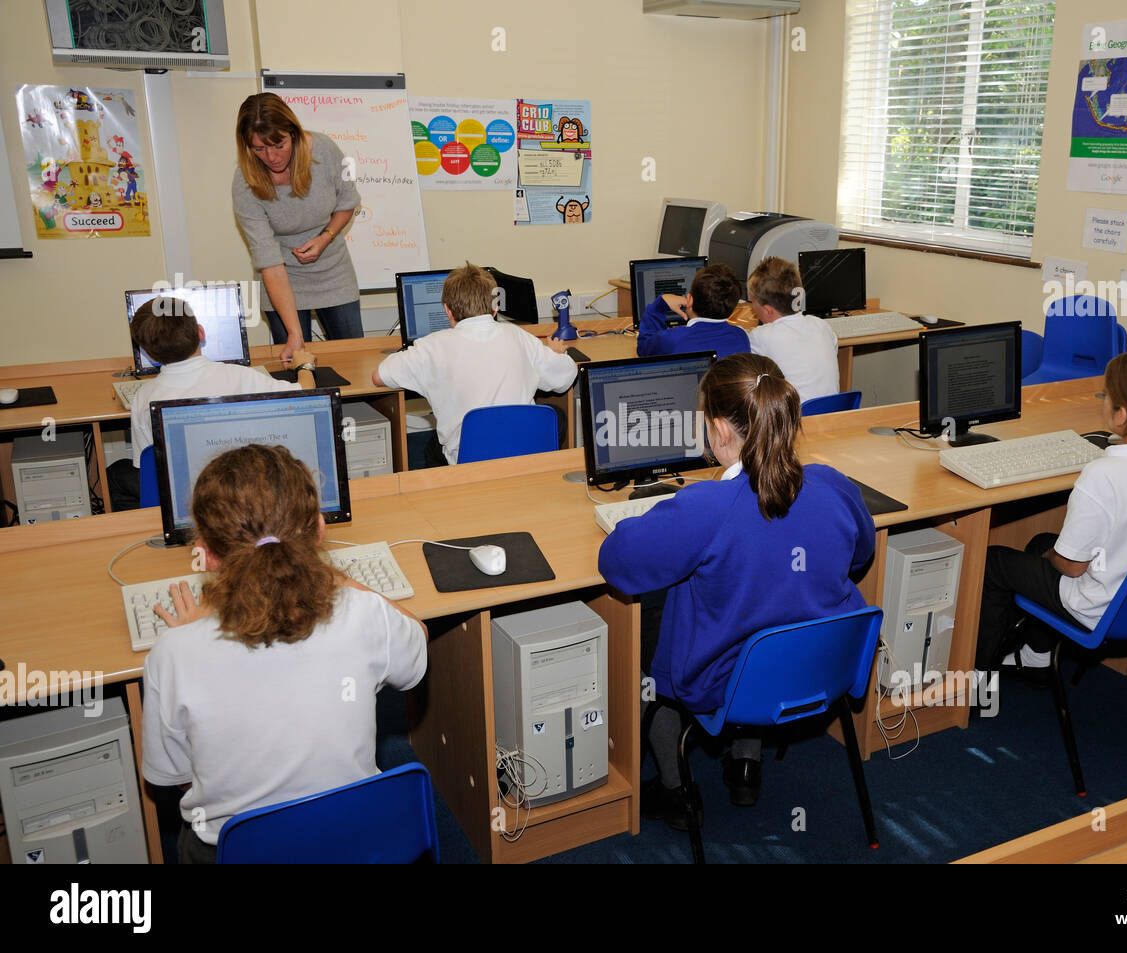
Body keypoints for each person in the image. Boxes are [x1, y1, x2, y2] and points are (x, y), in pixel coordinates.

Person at [598, 353, 875, 826]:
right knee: (767, 606)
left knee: (649, 629)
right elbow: (860, 555)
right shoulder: (833, 484)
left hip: (720, 678)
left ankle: (676, 792)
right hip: (815, 668)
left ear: (720, 431)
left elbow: (618, 565)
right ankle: (746, 763)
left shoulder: (706, 506)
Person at [141, 444, 428, 863]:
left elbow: (176, 779)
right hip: (357, 840)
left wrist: (190, 636)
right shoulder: (364, 616)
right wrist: (330, 575)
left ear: (206, 551)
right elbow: (417, 648)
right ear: (318, 529)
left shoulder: (172, 654)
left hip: (240, 852)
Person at [975, 349, 1127, 677]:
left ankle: (975, 677)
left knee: (994, 563)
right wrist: (1048, 554)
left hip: (1102, 608)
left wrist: (1052, 557)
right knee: (1039, 544)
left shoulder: (1103, 475)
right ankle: (1038, 655)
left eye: (1106, 395)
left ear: (1122, 415)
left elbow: (1072, 568)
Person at [106, 294, 314, 511]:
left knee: (116, 474)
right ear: (200, 332)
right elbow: (306, 395)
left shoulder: (144, 398)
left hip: (188, 498)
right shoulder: (241, 376)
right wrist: (305, 366)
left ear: (150, 354)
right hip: (242, 489)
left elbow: (147, 466)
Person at [372, 262, 578, 465]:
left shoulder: (430, 347)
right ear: (495, 307)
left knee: (433, 446)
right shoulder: (518, 336)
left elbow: (378, 376)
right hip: (521, 452)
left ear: (448, 311)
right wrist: (555, 354)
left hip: (468, 458)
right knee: (555, 416)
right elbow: (564, 378)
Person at [233, 93, 362, 364]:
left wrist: (325, 238)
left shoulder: (324, 150)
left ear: (292, 133)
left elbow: (348, 202)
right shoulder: (245, 183)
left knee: (353, 359)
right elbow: (269, 262)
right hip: (282, 277)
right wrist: (294, 333)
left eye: (278, 144)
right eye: (259, 149)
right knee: (297, 361)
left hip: (334, 271)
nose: (271, 157)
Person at [746, 256, 839, 404]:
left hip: (794, 422)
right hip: (833, 416)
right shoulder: (822, 326)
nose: (752, 309)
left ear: (767, 310)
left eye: (752, 302)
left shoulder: (760, 337)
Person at [636, 263, 749, 360]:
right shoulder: (741, 336)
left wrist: (659, 306)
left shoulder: (673, 339)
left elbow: (643, 348)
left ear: (689, 300)